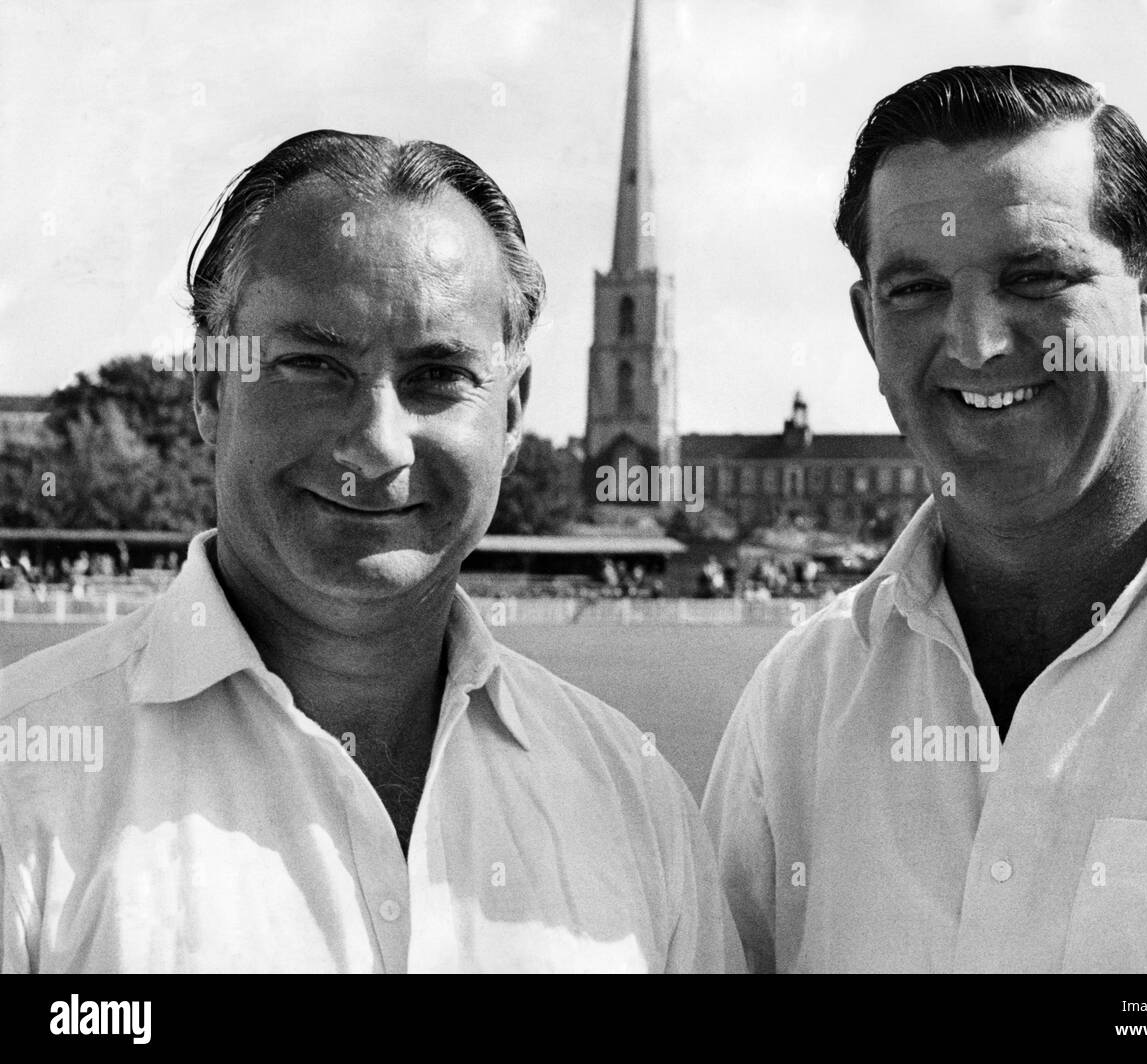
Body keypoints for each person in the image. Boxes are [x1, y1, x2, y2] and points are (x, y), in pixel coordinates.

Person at [0, 130, 739, 973]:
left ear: (512, 411)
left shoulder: (635, 804)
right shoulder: (18, 781)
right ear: (211, 386)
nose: (378, 444)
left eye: (439, 377)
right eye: (313, 364)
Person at [704, 65, 1147, 974]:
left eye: (1036, 276)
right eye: (915, 291)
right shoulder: (800, 706)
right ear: (869, 329)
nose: (977, 342)